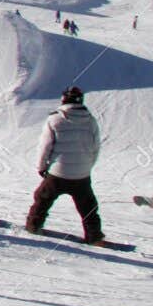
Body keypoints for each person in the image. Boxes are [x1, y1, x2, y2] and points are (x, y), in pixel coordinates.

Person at [26, 86, 105, 244]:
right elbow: (96, 147)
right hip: (82, 174)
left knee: (42, 198)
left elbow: (45, 146)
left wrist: (41, 167)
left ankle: (33, 225)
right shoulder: (91, 120)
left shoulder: (55, 119)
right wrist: (87, 167)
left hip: (58, 172)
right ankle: (94, 235)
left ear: (63, 100)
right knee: (88, 206)